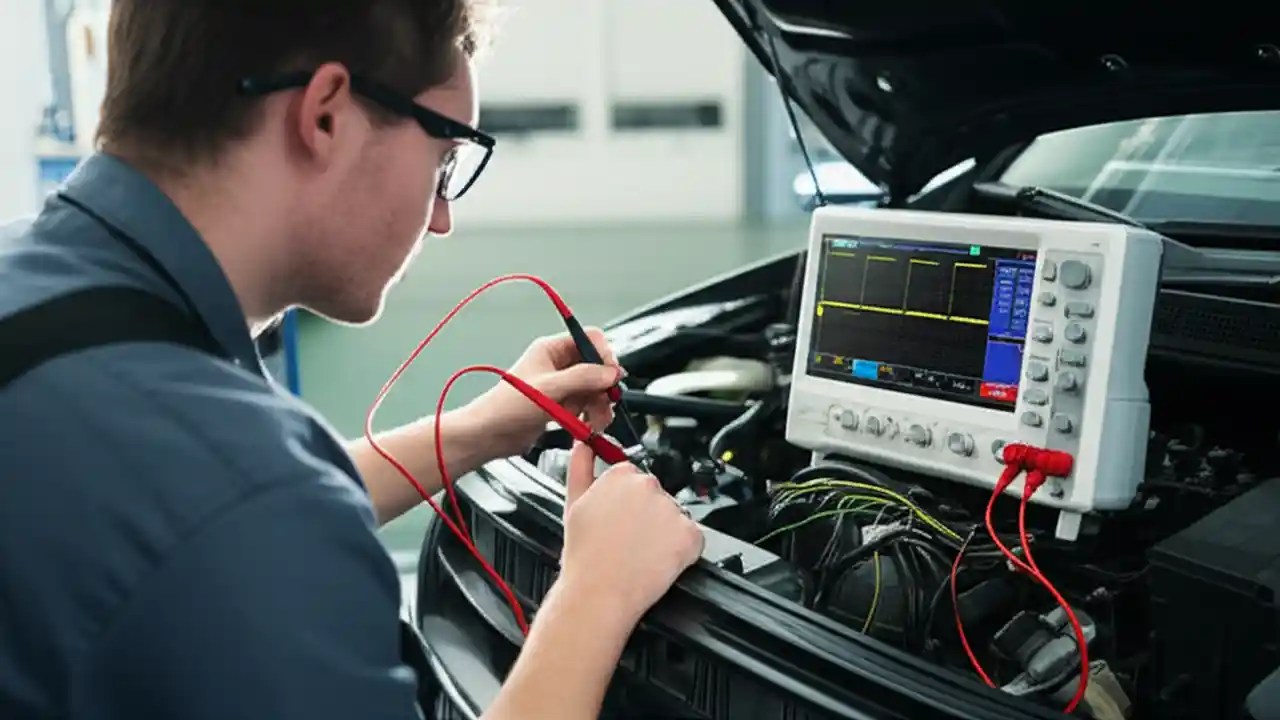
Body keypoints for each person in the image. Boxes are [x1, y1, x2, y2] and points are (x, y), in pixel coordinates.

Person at [0, 2, 704, 719]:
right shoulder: (243, 493)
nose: (441, 217)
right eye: (445, 157)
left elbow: (189, 514)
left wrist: (478, 432)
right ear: (326, 116)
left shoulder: (33, 287)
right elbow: (240, 508)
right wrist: (597, 594)